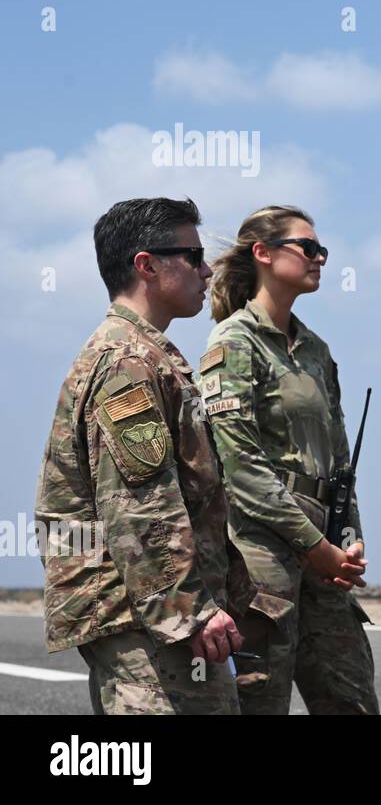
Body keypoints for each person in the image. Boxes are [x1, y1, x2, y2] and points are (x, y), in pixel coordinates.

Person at [35, 196, 283, 714]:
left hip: (152, 613)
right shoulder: (127, 360)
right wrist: (189, 612)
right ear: (146, 265)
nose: (207, 270)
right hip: (149, 619)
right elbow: (139, 506)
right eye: (192, 257)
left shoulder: (146, 356)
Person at [201, 205, 378, 715]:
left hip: (325, 550)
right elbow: (242, 470)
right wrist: (314, 545)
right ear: (263, 253)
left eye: (322, 250)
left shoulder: (317, 350)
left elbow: (341, 463)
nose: (319, 258)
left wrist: (347, 544)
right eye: (308, 247)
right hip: (264, 555)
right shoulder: (234, 343)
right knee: (260, 701)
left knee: (352, 699)